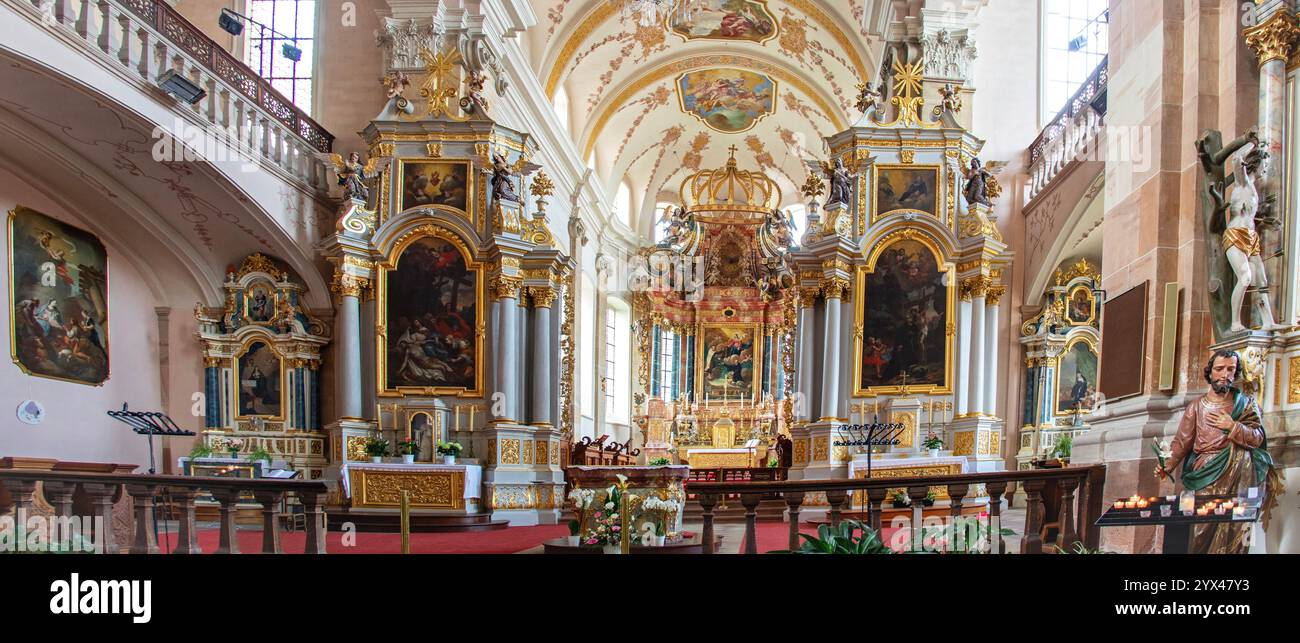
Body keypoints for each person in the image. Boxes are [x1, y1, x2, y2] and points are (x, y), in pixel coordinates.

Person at [1155, 349, 1283, 553]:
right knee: (1201, 530)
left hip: (1240, 472)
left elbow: (1258, 437)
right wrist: (1167, 466)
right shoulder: (1197, 407)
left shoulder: (1246, 403)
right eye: (1220, 369)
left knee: (1236, 528)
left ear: (1236, 372)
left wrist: (1233, 427)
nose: (1225, 374)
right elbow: (1181, 442)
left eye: (1231, 369)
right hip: (1206, 473)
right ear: (1210, 372)